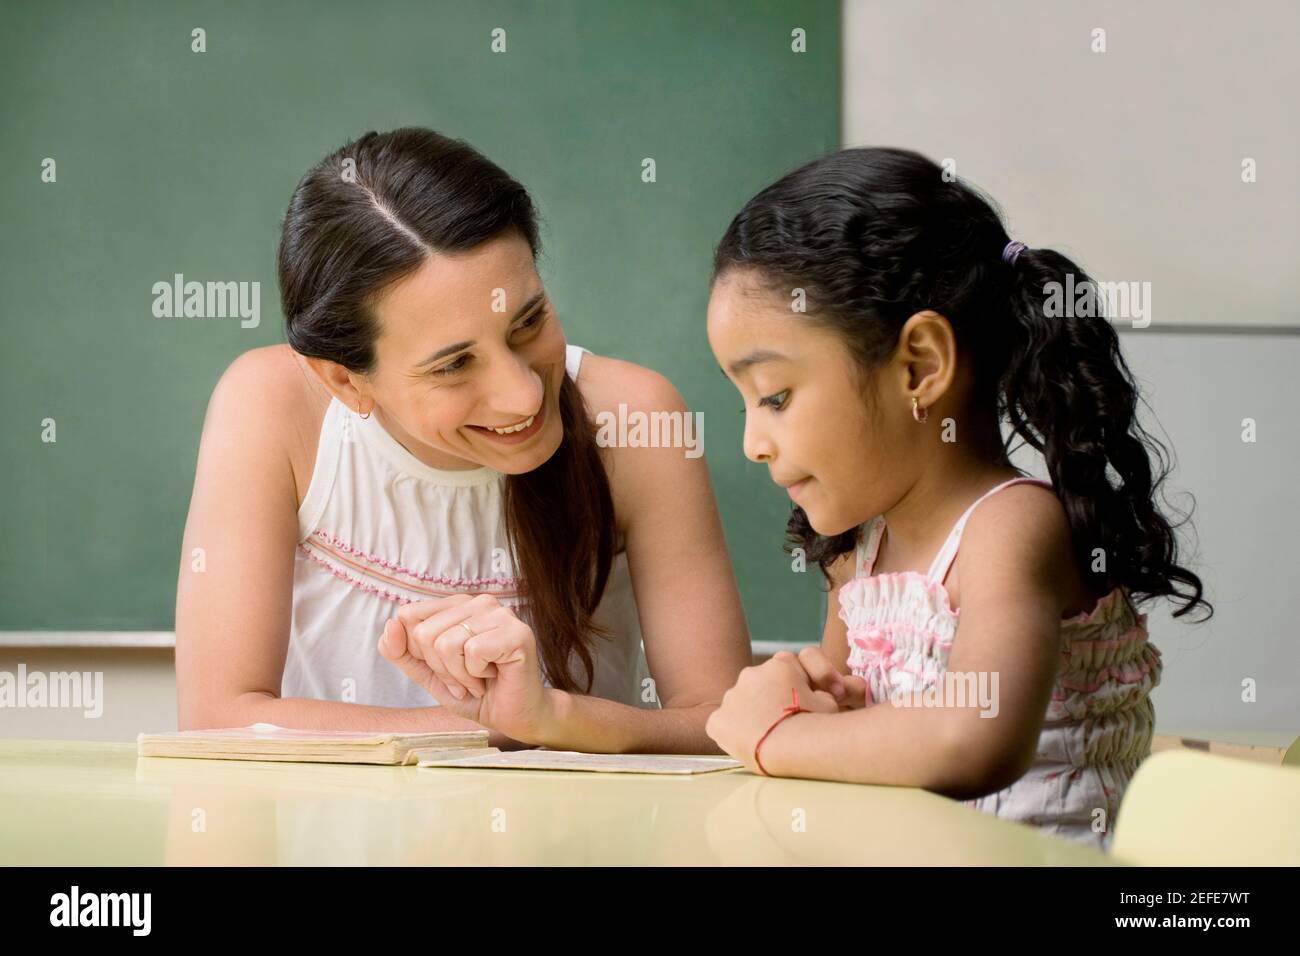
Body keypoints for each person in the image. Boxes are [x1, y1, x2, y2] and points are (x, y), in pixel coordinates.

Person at [175, 127, 751, 753]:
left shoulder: (638, 421)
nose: (525, 396)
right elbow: (218, 718)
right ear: (345, 380)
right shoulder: (270, 405)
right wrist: (495, 726)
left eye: (528, 322)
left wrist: (553, 718)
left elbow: (724, 726)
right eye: (454, 365)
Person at [703, 146, 1211, 848]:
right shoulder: (856, 556)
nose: (753, 443)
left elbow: (976, 738)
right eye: (744, 408)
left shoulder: (1012, 529)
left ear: (921, 366)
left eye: (776, 397)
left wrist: (777, 737)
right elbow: (855, 753)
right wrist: (808, 705)